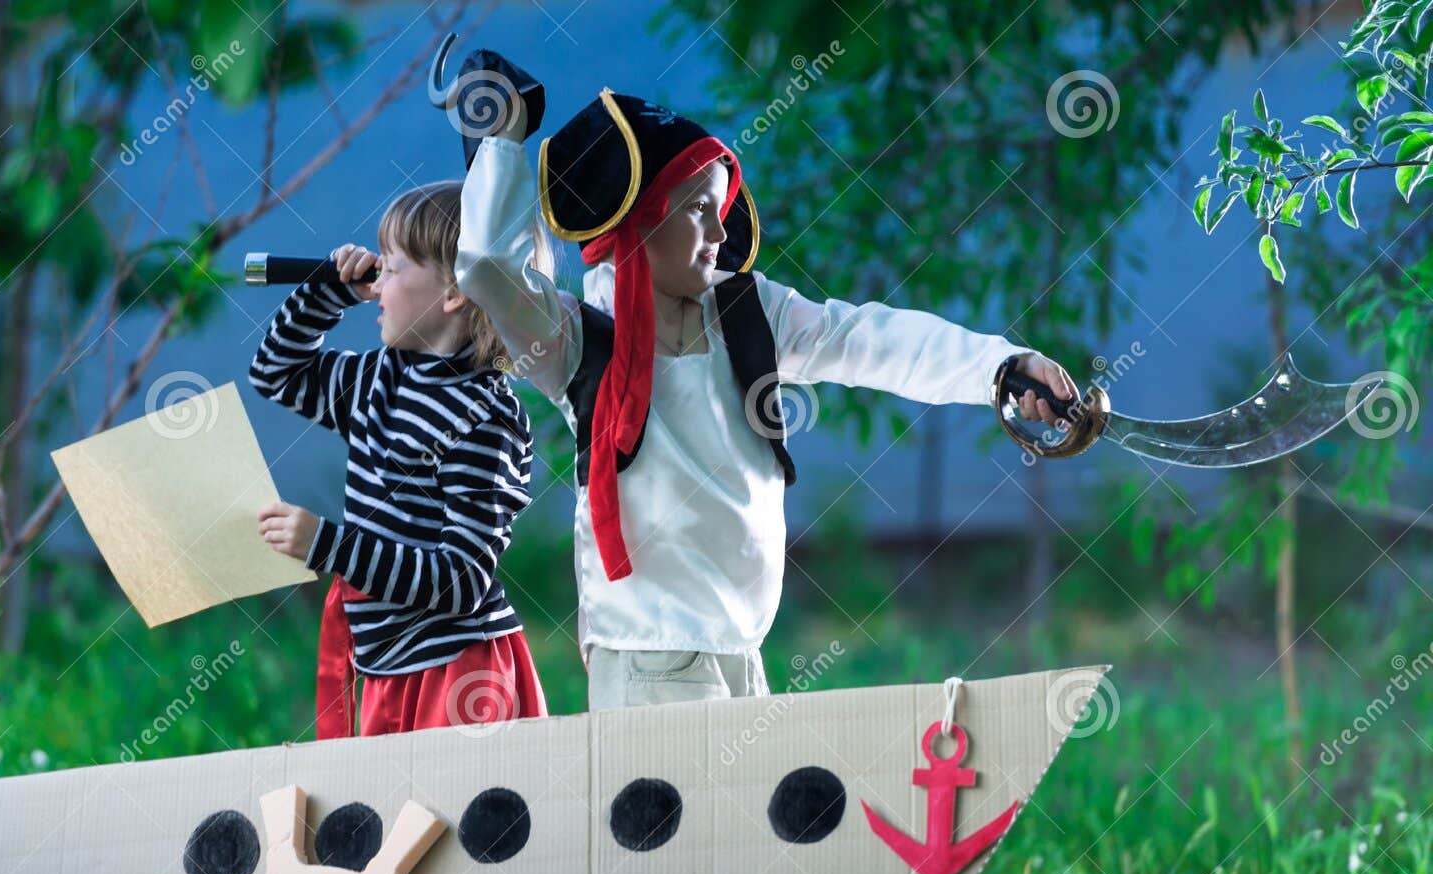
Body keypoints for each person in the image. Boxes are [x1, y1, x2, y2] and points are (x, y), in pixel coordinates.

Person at [454, 87, 1077, 710]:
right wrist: (501, 142)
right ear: (640, 214)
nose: (720, 230)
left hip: (744, 652)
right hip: (649, 657)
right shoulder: (578, 340)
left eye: (720, 207)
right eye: (698, 207)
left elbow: (869, 340)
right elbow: (487, 267)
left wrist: (999, 367)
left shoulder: (749, 312)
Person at [248, 180, 553, 737]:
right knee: (390, 820)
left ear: (456, 291)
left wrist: (329, 545)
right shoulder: (378, 380)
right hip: (387, 666)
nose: (376, 283)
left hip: (457, 674)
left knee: (451, 820)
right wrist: (327, 294)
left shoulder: (483, 417)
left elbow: (460, 579)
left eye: (391, 268)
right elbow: (275, 373)